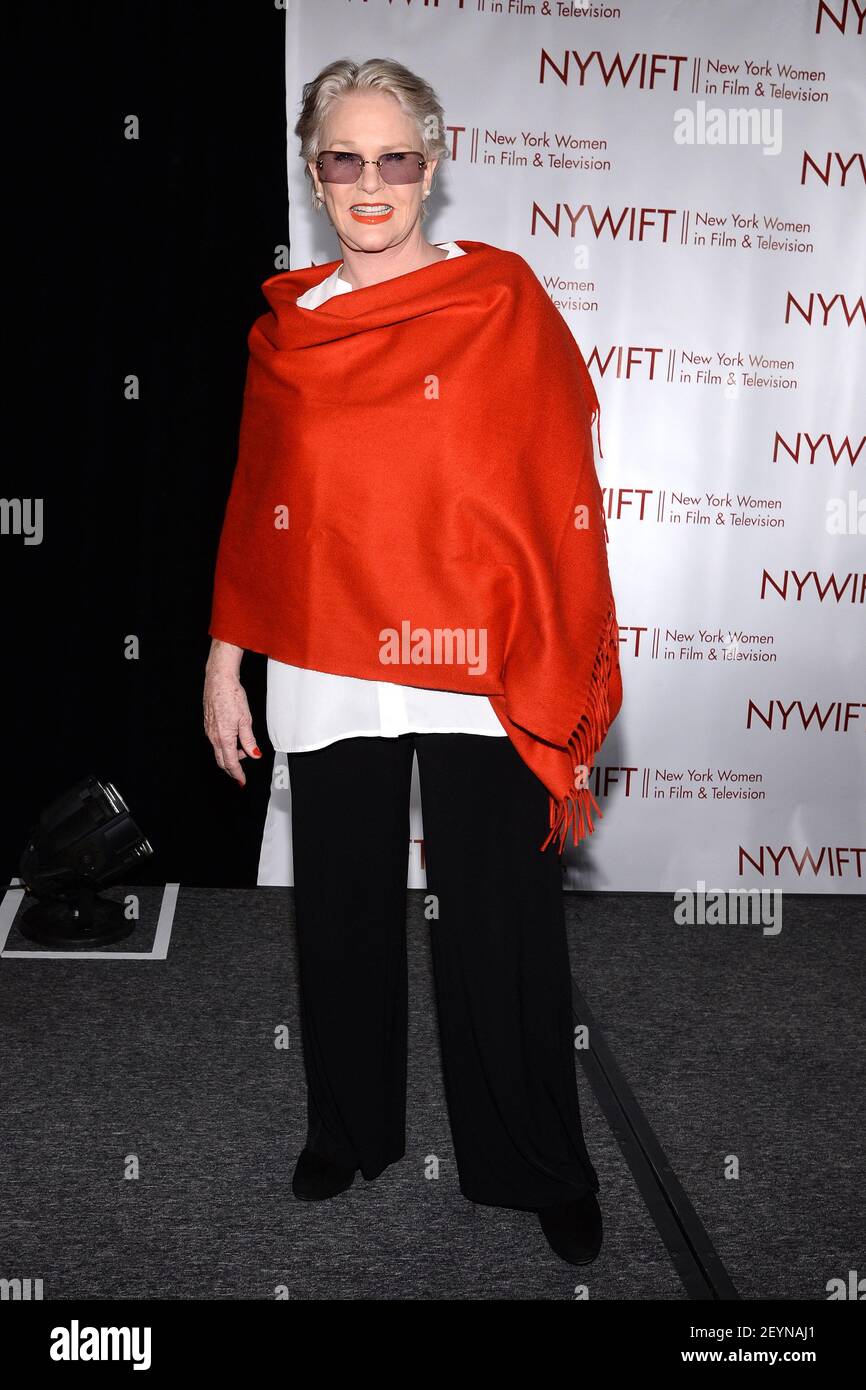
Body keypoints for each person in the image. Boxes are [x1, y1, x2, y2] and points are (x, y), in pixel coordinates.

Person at [204, 57, 623, 1266]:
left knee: (499, 919)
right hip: (331, 660)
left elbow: (554, 483)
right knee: (336, 908)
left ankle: (535, 1159)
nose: (371, 181)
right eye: (345, 157)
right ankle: (348, 1127)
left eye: (396, 157)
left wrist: (557, 631)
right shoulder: (290, 328)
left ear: (432, 168)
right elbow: (258, 505)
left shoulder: (498, 301)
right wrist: (223, 661)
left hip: (476, 662)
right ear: (314, 170)